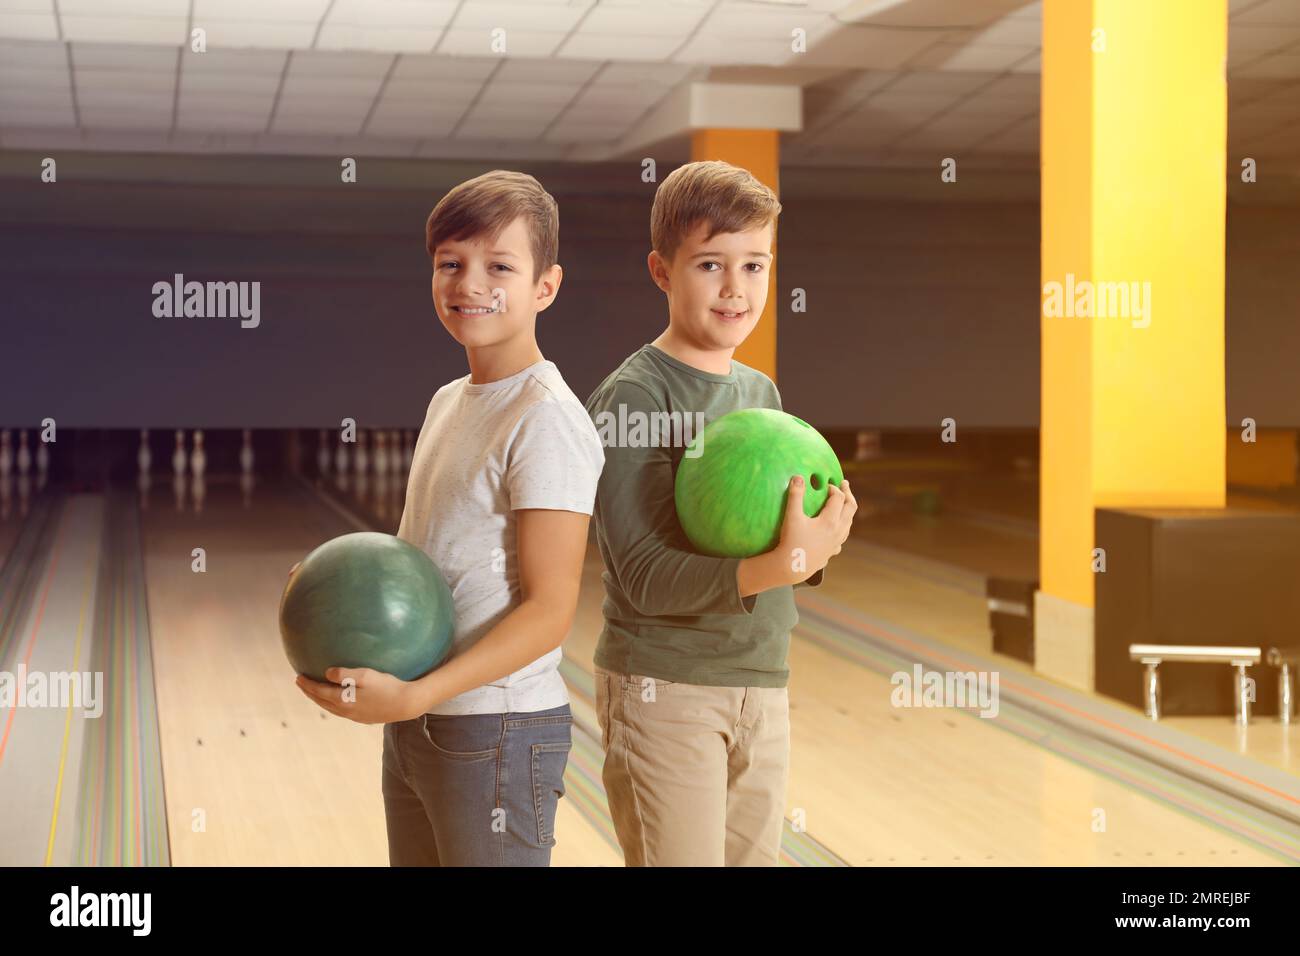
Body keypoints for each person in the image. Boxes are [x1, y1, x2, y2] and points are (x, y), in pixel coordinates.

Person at [298, 170, 605, 866]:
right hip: (424, 723)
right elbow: (419, 571)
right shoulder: (449, 400)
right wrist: (336, 591)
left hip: (498, 731)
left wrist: (416, 697)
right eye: (450, 264)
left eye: (499, 265)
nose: (471, 283)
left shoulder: (546, 420)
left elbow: (551, 610)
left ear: (544, 287)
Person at [585, 160, 857, 866]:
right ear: (662, 271)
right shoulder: (635, 399)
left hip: (761, 679)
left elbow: (780, 552)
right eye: (711, 264)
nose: (736, 288)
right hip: (664, 687)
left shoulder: (759, 391)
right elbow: (642, 574)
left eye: (755, 265)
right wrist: (785, 560)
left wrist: (818, 543)